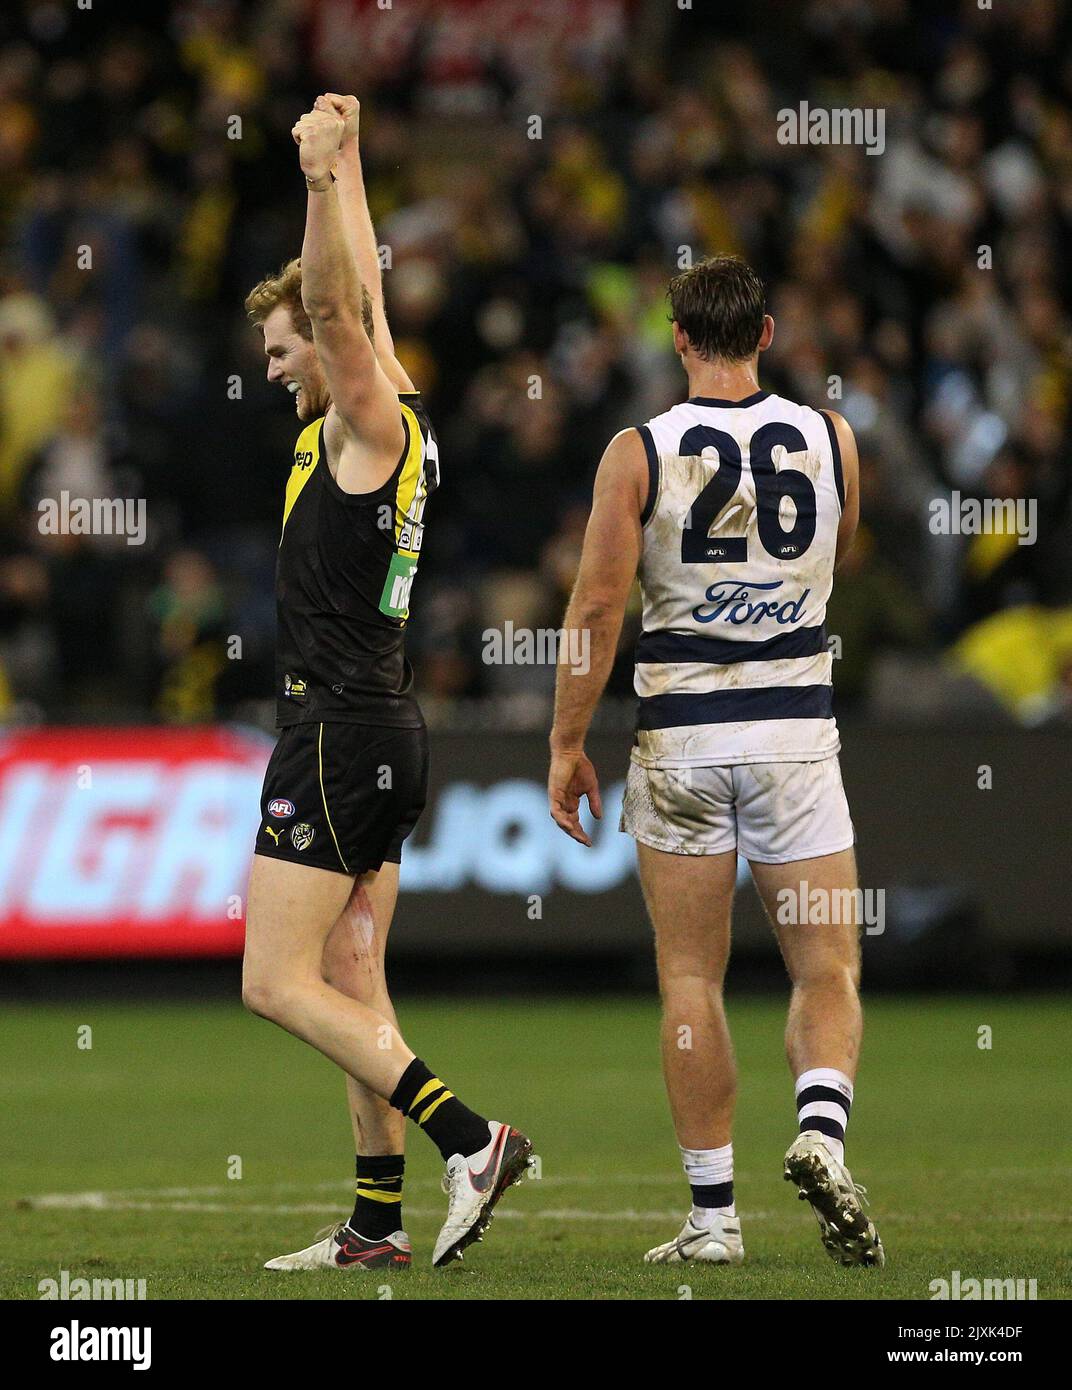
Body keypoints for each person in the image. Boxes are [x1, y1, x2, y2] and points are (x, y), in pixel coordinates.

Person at [547, 255, 883, 1269]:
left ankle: (713, 1218)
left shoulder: (638, 450)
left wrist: (567, 739)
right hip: (793, 742)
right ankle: (820, 1133)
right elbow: (839, 555)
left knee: (691, 974)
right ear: (767, 335)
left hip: (683, 741)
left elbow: (597, 607)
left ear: (679, 340)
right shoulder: (831, 437)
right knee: (826, 965)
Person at [242, 95, 531, 1272]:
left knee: (274, 980)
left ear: (328, 351)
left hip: (333, 726)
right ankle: (374, 1223)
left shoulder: (362, 423)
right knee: (356, 977)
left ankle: (473, 1136)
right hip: (386, 726)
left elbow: (335, 299)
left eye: (278, 352)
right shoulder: (386, 412)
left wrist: (316, 181)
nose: (270, 372)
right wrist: (352, 159)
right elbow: (356, 294)